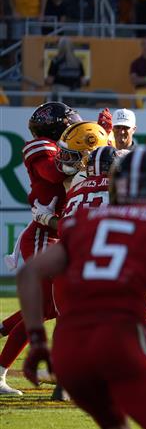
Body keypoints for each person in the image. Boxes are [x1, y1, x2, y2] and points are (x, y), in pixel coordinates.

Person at [16, 147, 146, 427]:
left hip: (68, 346)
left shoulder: (83, 218)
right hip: (119, 337)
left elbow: (30, 272)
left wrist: (38, 340)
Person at [0, 102, 81, 396]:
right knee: (54, 307)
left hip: (59, 234)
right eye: (70, 124)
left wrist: (101, 140)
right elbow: (54, 174)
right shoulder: (40, 147)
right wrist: (87, 152)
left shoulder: (61, 147)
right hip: (43, 235)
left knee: (46, 308)